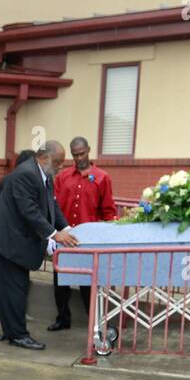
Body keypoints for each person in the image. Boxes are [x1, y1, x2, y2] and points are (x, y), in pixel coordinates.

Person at [0, 142, 79, 350]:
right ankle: (17, 334)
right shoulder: (26, 174)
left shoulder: (44, 176)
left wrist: (67, 227)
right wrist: (55, 235)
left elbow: (51, 205)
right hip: (6, 240)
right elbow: (29, 211)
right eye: (57, 162)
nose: (60, 167)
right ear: (44, 158)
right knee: (16, 287)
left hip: (8, 238)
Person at [48, 137, 117, 331]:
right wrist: (53, 233)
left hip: (90, 239)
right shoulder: (62, 177)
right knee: (60, 281)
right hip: (65, 236)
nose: (79, 158)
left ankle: (93, 322)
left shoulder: (102, 177)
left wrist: (108, 236)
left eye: (82, 153)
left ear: (88, 150)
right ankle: (62, 318)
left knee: (89, 283)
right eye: (75, 155)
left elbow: (108, 210)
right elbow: (54, 207)